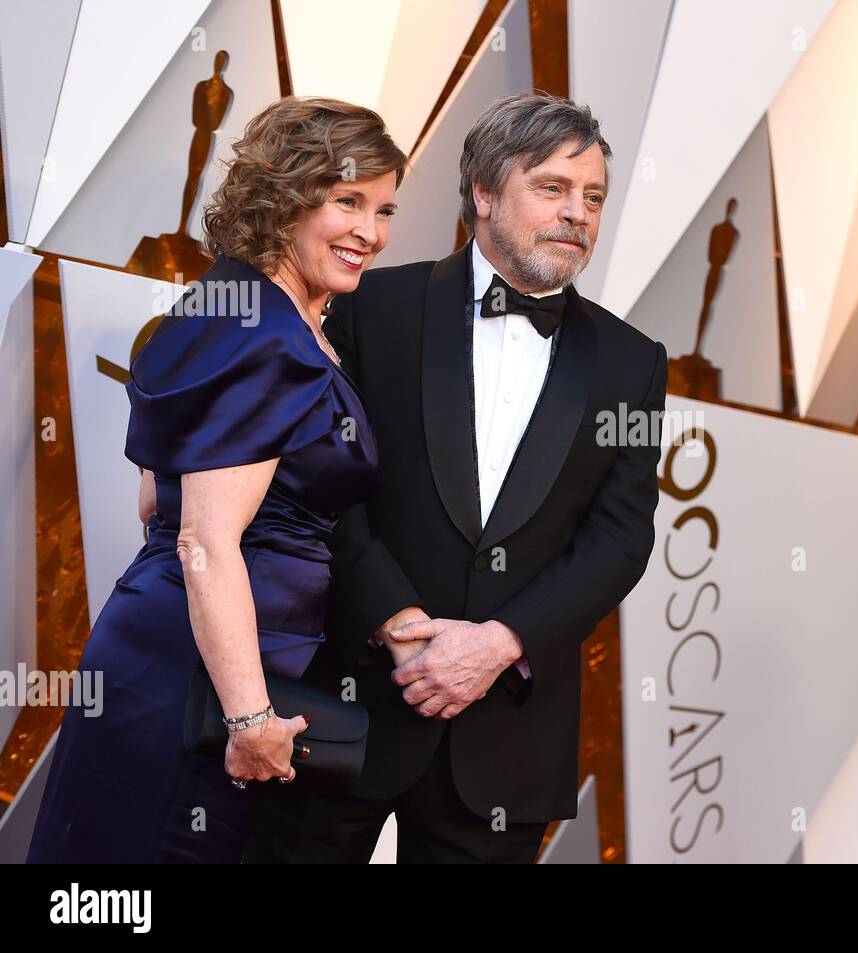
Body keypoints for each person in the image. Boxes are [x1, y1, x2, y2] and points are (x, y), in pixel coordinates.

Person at [247, 92, 668, 863]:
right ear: (482, 192)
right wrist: (396, 623)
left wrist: (499, 643)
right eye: (552, 188)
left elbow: (620, 539)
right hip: (344, 702)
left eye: (594, 196)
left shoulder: (634, 361)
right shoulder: (367, 305)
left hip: (506, 740)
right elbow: (316, 485)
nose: (579, 212)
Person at [26, 97, 405, 863]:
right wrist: (249, 716)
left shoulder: (240, 309)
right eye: (349, 201)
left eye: (386, 208)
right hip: (200, 684)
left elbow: (154, 502)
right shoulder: (266, 335)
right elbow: (203, 538)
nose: (373, 231)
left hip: (177, 656)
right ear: (287, 195)